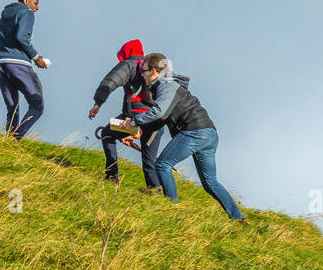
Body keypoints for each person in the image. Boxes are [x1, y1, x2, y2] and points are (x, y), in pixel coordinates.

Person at [119, 52, 245, 222]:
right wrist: (136, 132)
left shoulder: (166, 85)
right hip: (209, 134)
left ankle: (172, 211)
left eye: (144, 69)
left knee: (163, 165)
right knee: (210, 183)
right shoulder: (167, 86)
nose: (142, 73)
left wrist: (133, 122)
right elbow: (161, 118)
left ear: (155, 71)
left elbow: (158, 112)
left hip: (194, 132)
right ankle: (238, 218)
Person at [87, 39, 163, 187]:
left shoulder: (129, 65)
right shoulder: (153, 68)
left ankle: (111, 176)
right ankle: (157, 193)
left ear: (125, 53)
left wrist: (98, 102)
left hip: (134, 119)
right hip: (156, 121)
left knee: (107, 133)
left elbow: (110, 81)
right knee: (149, 162)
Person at [0, 0, 49, 139]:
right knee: (37, 104)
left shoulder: (4, 17)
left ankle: (8, 140)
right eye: (35, 3)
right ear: (25, 1)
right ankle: (15, 137)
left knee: (12, 106)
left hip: (0, 62)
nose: (37, 7)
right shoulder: (27, 13)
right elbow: (22, 37)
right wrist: (36, 57)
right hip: (18, 63)